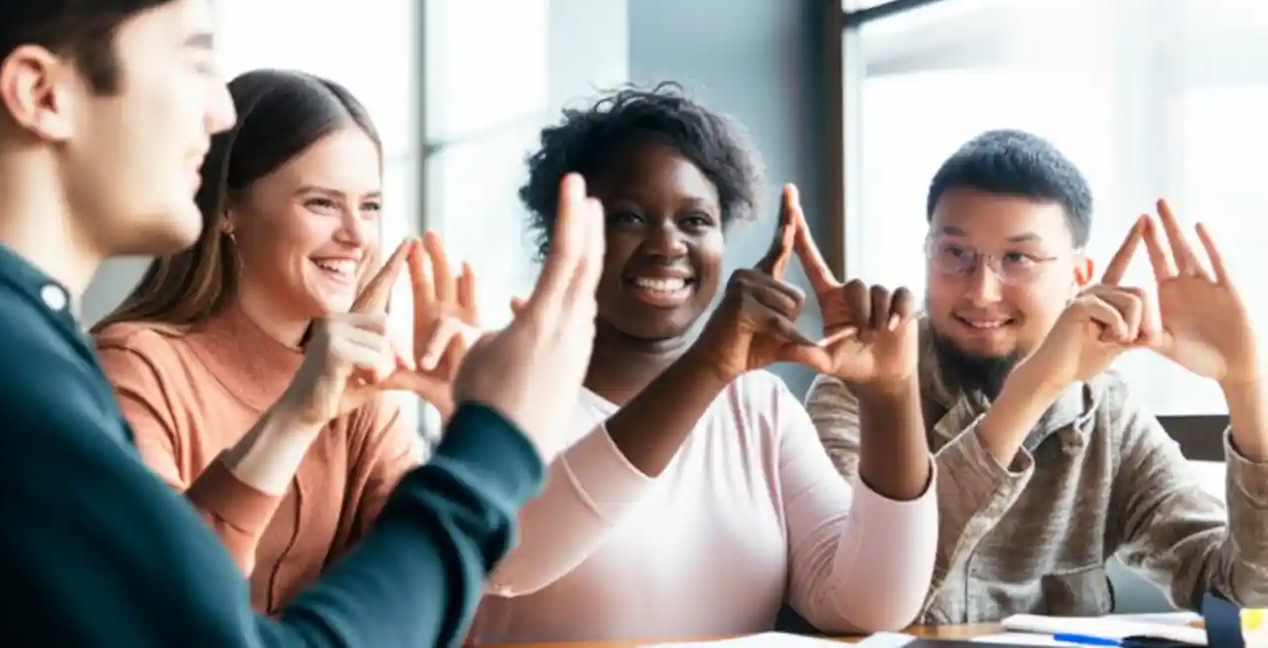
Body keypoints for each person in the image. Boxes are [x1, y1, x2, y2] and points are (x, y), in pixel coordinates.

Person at [0, 0, 605, 645]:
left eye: (369, 205)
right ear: (41, 92)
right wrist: (497, 437)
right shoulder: (21, 370)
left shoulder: (32, 348)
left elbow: (470, 583)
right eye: (194, 65)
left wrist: (464, 427)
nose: (219, 115)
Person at [466, 85, 938, 644]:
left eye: (694, 222)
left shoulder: (758, 407)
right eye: (631, 217)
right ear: (568, 235)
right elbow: (512, 560)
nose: (668, 245)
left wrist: (891, 394)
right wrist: (708, 367)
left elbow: (869, 604)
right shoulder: (506, 383)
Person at [807, 129, 1268, 623]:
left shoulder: (1106, 413)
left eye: (1017, 259)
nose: (982, 291)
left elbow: (1240, 596)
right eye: (955, 253)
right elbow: (858, 597)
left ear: (1077, 275)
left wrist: (1243, 385)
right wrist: (1036, 386)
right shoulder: (858, 390)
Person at [91, 68, 477, 612]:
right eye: (321, 203)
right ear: (228, 208)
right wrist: (298, 413)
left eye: (369, 206)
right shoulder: (133, 367)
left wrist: (465, 421)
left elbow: (443, 584)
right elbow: (164, 596)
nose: (356, 235)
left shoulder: (362, 393)